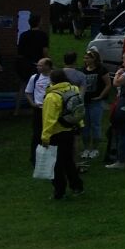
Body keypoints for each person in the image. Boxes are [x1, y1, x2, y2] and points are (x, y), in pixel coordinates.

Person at [40, 69, 85, 200]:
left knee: (55, 165)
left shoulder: (52, 96)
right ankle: (77, 186)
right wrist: (80, 124)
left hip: (56, 133)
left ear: (52, 80)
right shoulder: (74, 89)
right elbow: (77, 109)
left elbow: (49, 119)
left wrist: (45, 137)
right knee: (68, 161)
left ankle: (59, 192)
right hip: (70, 130)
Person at [18, 56, 54, 162]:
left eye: (40, 65)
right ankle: (34, 157)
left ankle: (51, 155)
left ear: (48, 66)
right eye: (37, 65)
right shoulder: (35, 77)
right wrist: (32, 103)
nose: (37, 67)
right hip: (39, 110)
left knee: (52, 133)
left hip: (52, 110)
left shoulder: (55, 77)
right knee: (37, 133)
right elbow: (28, 92)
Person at [80, 49, 111, 162]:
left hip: (96, 102)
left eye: (88, 58)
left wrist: (101, 96)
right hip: (85, 102)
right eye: (85, 58)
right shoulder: (83, 70)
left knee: (95, 125)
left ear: (94, 59)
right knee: (85, 125)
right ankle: (86, 148)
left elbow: (108, 84)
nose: (85, 60)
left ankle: (94, 148)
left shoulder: (101, 70)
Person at [15, 14, 49, 81]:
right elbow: (45, 51)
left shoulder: (23, 35)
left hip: (25, 64)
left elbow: (20, 51)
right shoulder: (43, 35)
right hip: (38, 64)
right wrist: (48, 61)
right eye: (41, 21)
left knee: (25, 83)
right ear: (38, 23)